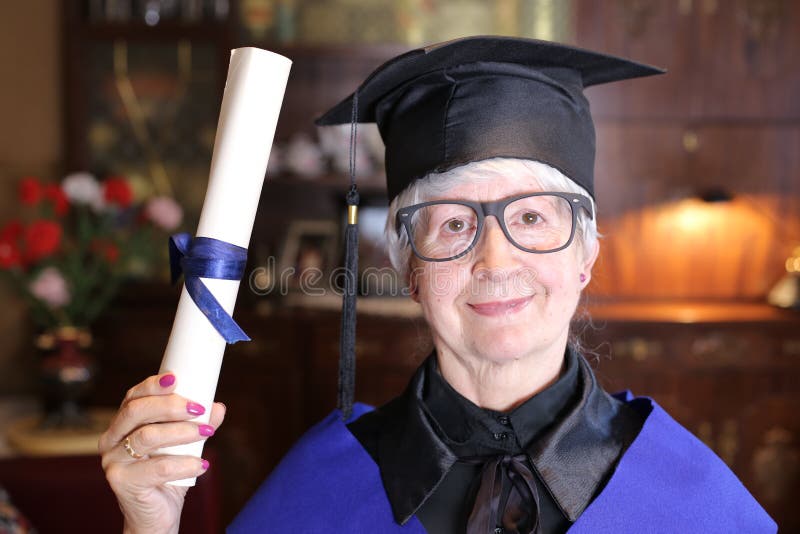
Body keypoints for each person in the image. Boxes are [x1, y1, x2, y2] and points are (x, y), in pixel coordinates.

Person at [100, 36, 776, 533]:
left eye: (533, 217)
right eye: (452, 224)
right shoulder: (325, 485)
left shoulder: (693, 500)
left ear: (587, 255)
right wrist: (149, 524)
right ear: (407, 268)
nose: (494, 256)